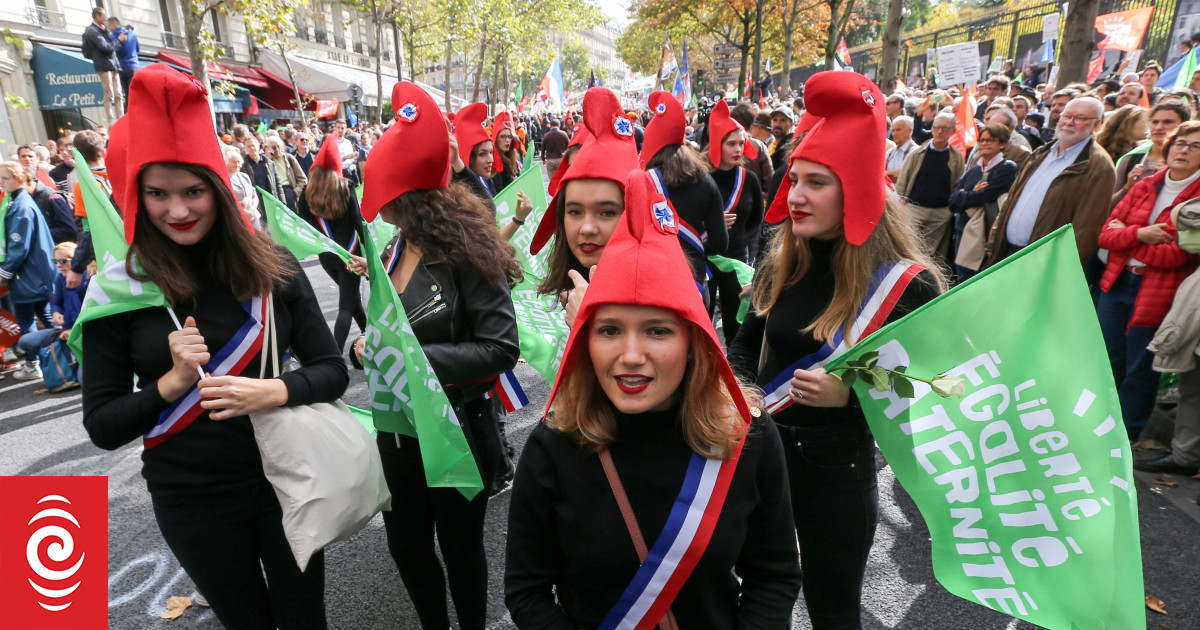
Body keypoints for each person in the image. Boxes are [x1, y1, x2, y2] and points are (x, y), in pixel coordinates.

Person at [80, 65, 348, 629]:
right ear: (135, 195)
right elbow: (103, 426)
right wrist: (171, 382)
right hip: (189, 498)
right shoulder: (118, 290)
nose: (177, 210)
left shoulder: (272, 269)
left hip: (285, 478)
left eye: (193, 191)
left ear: (219, 189)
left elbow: (331, 372)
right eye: (157, 193)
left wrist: (273, 390)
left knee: (306, 621)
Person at [505, 168, 802, 630]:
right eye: (608, 330)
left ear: (693, 341)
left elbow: (775, 575)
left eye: (657, 331)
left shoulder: (748, 435)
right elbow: (527, 591)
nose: (630, 356)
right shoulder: (556, 440)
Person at [728, 71, 944, 630]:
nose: (795, 195)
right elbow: (746, 343)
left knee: (832, 607)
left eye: (816, 182)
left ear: (856, 189)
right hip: (758, 452)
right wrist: (746, 395)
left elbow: (931, 388)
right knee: (757, 597)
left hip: (836, 467)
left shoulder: (907, 285)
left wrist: (849, 398)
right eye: (795, 178)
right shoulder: (784, 260)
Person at [353, 82, 520, 630]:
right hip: (397, 430)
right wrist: (363, 348)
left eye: (389, 202)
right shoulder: (393, 246)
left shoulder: (468, 251)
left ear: (409, 200)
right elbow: (383, 331)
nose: (382, 212)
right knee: (406, 548)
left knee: (461, 549)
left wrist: (413, 357)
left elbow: (501, 347)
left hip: (456, 426)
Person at [1097, 120, 1200, 442]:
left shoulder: (1195, 198)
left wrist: (1125, 237)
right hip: (1118, 283)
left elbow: (1178, 256)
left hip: (1159, 291)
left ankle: (1126, 436)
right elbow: (1104, 237)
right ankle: (1099, 424)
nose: (1184, 150)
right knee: (1107, 358)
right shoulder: (1146, 184)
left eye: (1195, 146)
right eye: (1180, 143)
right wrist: (1141, 234)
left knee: (1139, 368)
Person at [530, 87, 640, 314]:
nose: (587, 228)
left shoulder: (655, 299)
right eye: (575, 212)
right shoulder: (571, 290)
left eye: (607, 212)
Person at [985, 97, 1116, 267]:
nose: (1069, 122)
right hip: (1007, 254)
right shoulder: (1041, 153)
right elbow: (1012, 199)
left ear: (1097, 124)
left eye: (1079, 118)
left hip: (1043, 263)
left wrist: (1059, 269)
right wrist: (994, 240)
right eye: (1067, 116)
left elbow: (1087, 229)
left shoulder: (1099, 167)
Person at [640, 90, 729, 297]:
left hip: (654, 282)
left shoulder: (644, 182)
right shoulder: (706, 180)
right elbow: (720, 243)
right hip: (694, 283)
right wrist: (692, 250)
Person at [297, 135, 366, 353]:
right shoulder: (346, 187)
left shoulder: (306, 194)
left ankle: (368, 332)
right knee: (346, 306)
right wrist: (371, 254)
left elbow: (305, 226)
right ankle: (335, 354)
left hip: (326, 256)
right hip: (350, 255)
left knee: (351, 298)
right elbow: (358, 221)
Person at [705, 99, 763, 341]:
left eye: (741, 143)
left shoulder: (749, 179)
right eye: (731, 144)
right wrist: (711, 225)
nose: (738, 149)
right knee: (702, 320)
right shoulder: (699, 178)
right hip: (703, 260)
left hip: (736, 261)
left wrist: (739, 242)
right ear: (717, 146)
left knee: (735, 325)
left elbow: (755, 222)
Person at [949, 123, 1018, 282]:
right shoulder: (974, 170)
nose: (985, 143)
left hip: (985, 233)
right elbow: (952, 202)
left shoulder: (1006, 168)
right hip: (962, 231)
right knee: (962, 279)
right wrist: (972, 194)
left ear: (1002, 143)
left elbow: (987, 195)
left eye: (991, 140)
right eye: (982, 140)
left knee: (978, 280)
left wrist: (964, 195)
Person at [12, 242, 89, 382]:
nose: (59, 265)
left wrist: (76, 331)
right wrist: (56, 312)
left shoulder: (89, 279)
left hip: (89, 334)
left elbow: (94, 315)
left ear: (77, 260)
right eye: (56, 261)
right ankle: (65, 361)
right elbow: (57, 303)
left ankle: (77, 363)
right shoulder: (60, 278)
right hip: (66, 332)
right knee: (25, 341)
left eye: (63, 261)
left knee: (84, 380)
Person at [895, 112, 965, 262]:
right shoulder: (917, 153)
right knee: (908, 249)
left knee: (932, 256)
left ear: (952, 131)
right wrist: (900, 206)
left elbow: (958, 184)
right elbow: (903, 180)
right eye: (937, 127)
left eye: (945, 128)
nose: (940, 131)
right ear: (932, 129)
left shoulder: (956, 156)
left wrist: (949, 211)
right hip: (914, 209)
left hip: (940, 214)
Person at [0, 161, 56, 340]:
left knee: (27, 320)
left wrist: (4, 271)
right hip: (33, 271)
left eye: (5, 178)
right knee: (45, 315)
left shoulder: (21, 206)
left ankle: (34, 363)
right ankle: (64, 355)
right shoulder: (15, 200)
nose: (1, 182)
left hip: (27, 272)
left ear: (19, 180)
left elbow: (19, 245)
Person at [1113, 101, 1191, 208]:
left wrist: (1172, 180)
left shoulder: (1190, 161)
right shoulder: (1132, 158)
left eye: (1167, 122)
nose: (1159, 127)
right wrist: (1127, 188)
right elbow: (1107, 206)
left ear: (1184, 125)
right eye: (1154, 122)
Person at [80, 7, 124, 125]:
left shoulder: (102, 29)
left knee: (118, 93)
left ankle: (121, 117)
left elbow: (109, 47)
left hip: (112, 64)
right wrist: (119, 40)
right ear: (97, 16)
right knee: (109, 94)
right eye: (104, 16)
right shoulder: (92, 31)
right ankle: (111, 120)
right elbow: (106, 47)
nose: (106, 18)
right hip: (104, 66)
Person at [452, 102, 500, 205]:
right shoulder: (461, 194)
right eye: (482, 154)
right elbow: (491, 209)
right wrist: (517, 220)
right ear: (469, 157)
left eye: (491, 152)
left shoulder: (484, 178)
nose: (490, 159)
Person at [264, 136, 307, 210]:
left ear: (282, 146)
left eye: (278, 146)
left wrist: (296, 191)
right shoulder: (266, 161)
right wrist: (268, 157)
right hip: (275, 192)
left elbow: (303, 178)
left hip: (289, 190)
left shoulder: (289, 158)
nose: (277, 149)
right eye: (273, 147)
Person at [223, 145, 261, 228]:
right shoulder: (224, 178)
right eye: (234, 162)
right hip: (236, 217)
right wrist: (243, 211)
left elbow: (254, 195)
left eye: (239, 162)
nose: (237, 164)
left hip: (252, 215)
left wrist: (252, 209)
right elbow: (227, 199)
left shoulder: (244, 176)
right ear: (227, 163)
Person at [107, 16, 139, 106]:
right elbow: (137, 49)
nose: (108, 28)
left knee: (126, 94)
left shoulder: (112, 37)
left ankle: (127, 115)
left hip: (122, 68)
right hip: (134, 66)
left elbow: (112, 50)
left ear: (113, 24)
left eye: (109, 25)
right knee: (133, 94)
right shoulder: (132, 34)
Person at [490, 110, 522, 191]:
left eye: (509, 136)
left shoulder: (513, 157)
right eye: (503, 136)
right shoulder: (495, 162)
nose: (507, 140)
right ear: (496, 139)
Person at [884, 115, 916, 181]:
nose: (894, 134)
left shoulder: (916, 152)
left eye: (898, 130)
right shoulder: (890, 152)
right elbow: (880, 172)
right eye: (893, 130)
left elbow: (906, 174)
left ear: (910, 131)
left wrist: (886, 174)